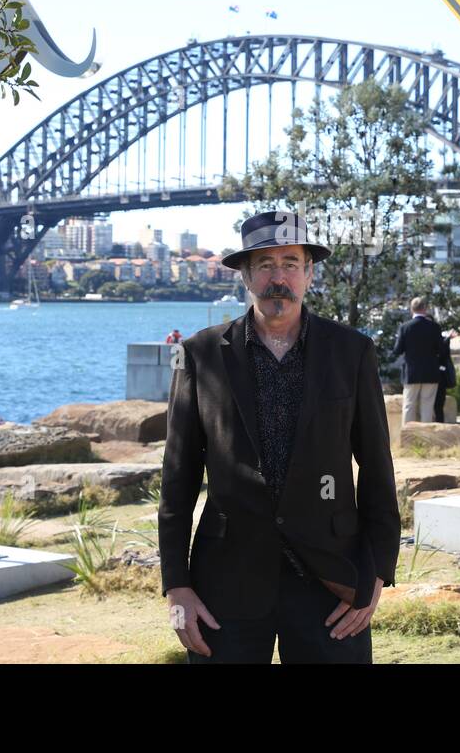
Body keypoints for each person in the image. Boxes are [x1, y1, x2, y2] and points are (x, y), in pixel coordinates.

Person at [158, 209, 400, 663]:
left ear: (309, 273)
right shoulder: (199, 355)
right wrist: (177, 585)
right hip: (224, 586)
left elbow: (376, 468)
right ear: (246, 275)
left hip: (332, 580)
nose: (278, 277)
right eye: (265, 265)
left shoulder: (352, 352)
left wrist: (376, 574)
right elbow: (178, 478)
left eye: (290, 263)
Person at [390, 297, 446, 423]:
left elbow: (397, 350)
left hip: (411, 372)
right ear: (425, 309)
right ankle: (425, 437)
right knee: (427, 406)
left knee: (409, 405)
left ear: (411, 309)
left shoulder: (405, 327)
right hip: (431, 372)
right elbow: (441, 350)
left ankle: (407, 436)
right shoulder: (434, 327)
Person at [434, 330, 456, 424]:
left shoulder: (441, 339)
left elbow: (443, 355)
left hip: (440, 376)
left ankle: (439, 424)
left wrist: (447, 339)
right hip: (435, 375)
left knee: (439, 405)